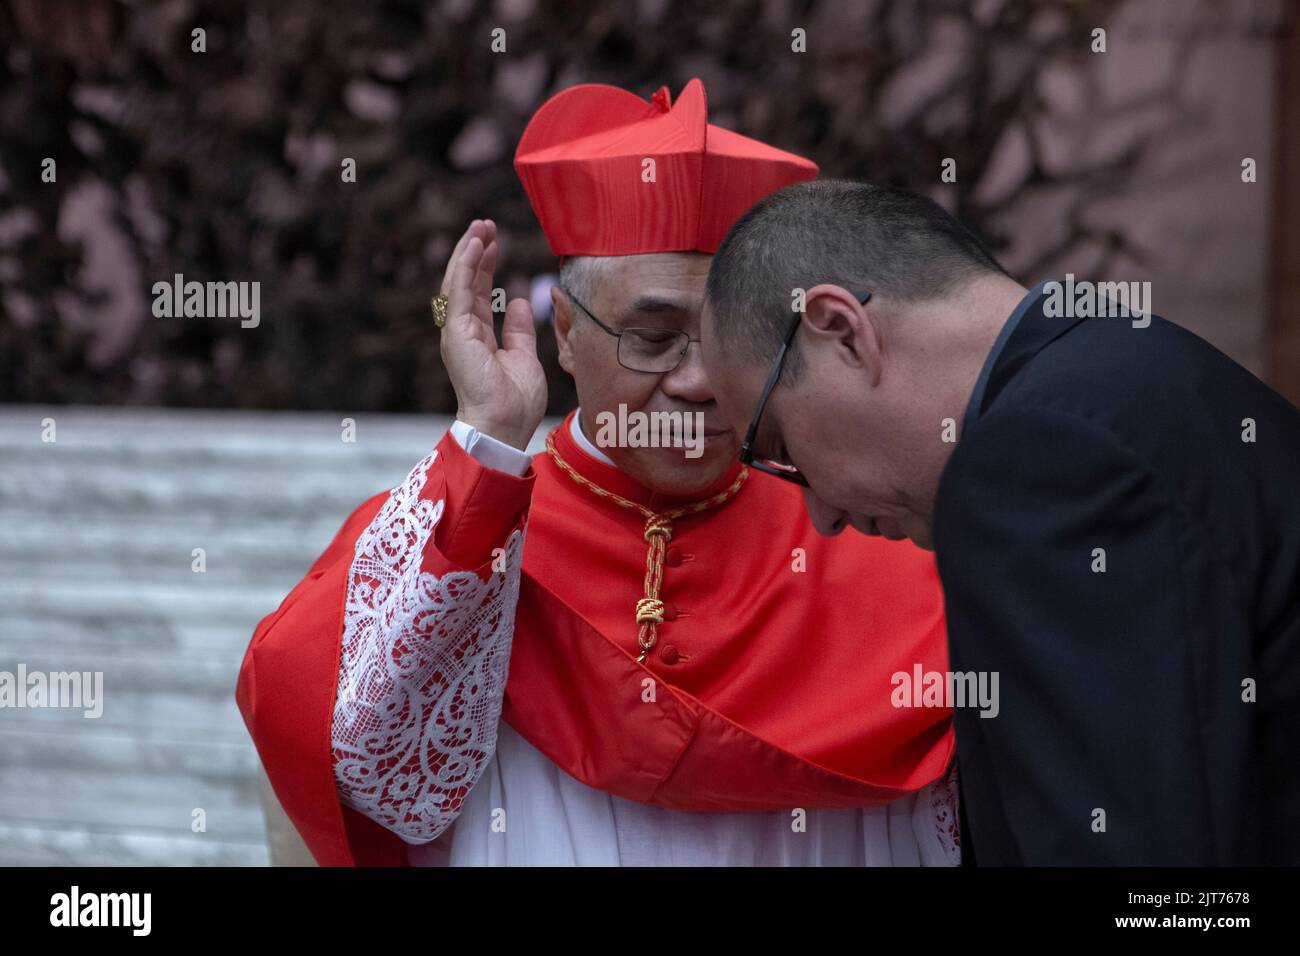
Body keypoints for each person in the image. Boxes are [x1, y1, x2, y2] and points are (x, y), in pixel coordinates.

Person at [236, 85, 959, 867]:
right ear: (568, 334)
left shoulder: (872, 533)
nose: (697, 382)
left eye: (729, 344)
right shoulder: (461, 538)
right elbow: (372, 775)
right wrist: (487, 442)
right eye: (652, 338)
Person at [700, 177, 1300, 865]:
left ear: (841, 330)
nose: (822, 514)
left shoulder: (1039, 455)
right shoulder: (1135, 370)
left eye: (780, 447)